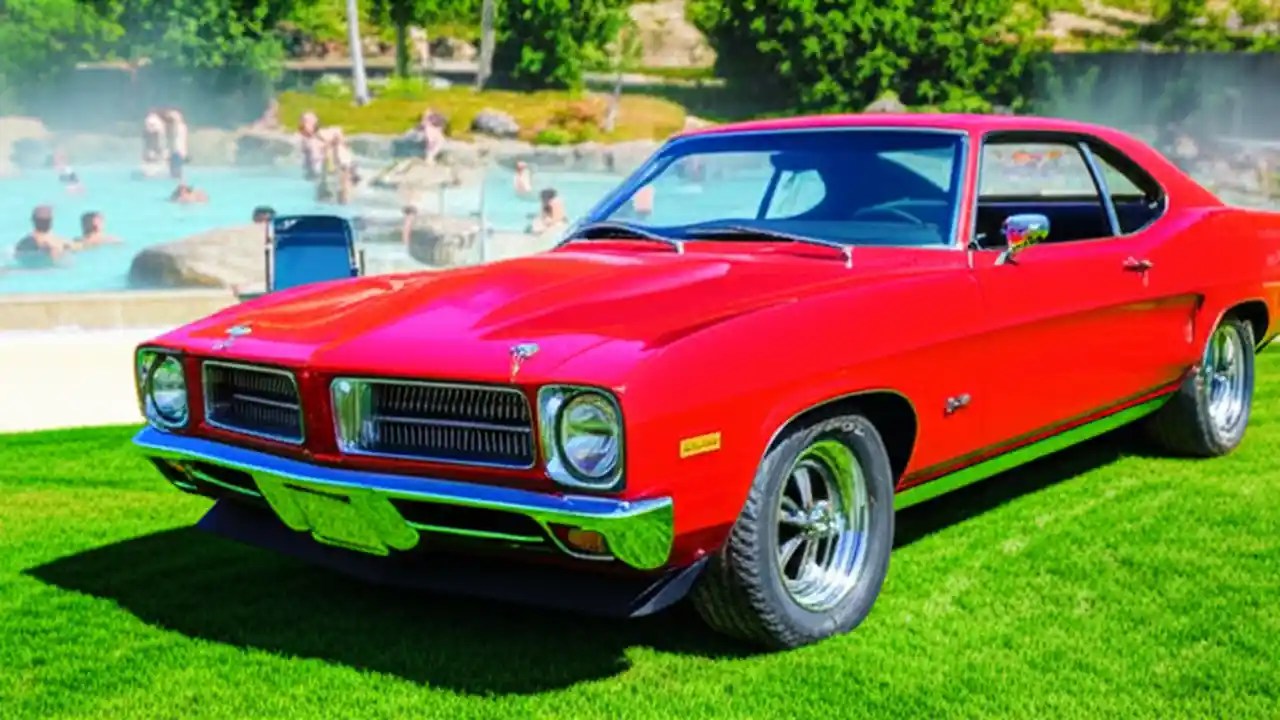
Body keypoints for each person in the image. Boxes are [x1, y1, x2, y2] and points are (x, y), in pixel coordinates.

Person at [298, 111, 326, 180]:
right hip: (310, 166)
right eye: (307, 122)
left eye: (312, 122)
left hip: (317, 165)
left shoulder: (320, 137)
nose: (310, 125)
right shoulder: (301, 138)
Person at [164, 109, 190, 180]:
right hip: (177, 151)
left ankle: (179, 180)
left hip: (177, 152)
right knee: (176, 172)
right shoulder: (182, 127)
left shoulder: (178, 127)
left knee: (176, 173)